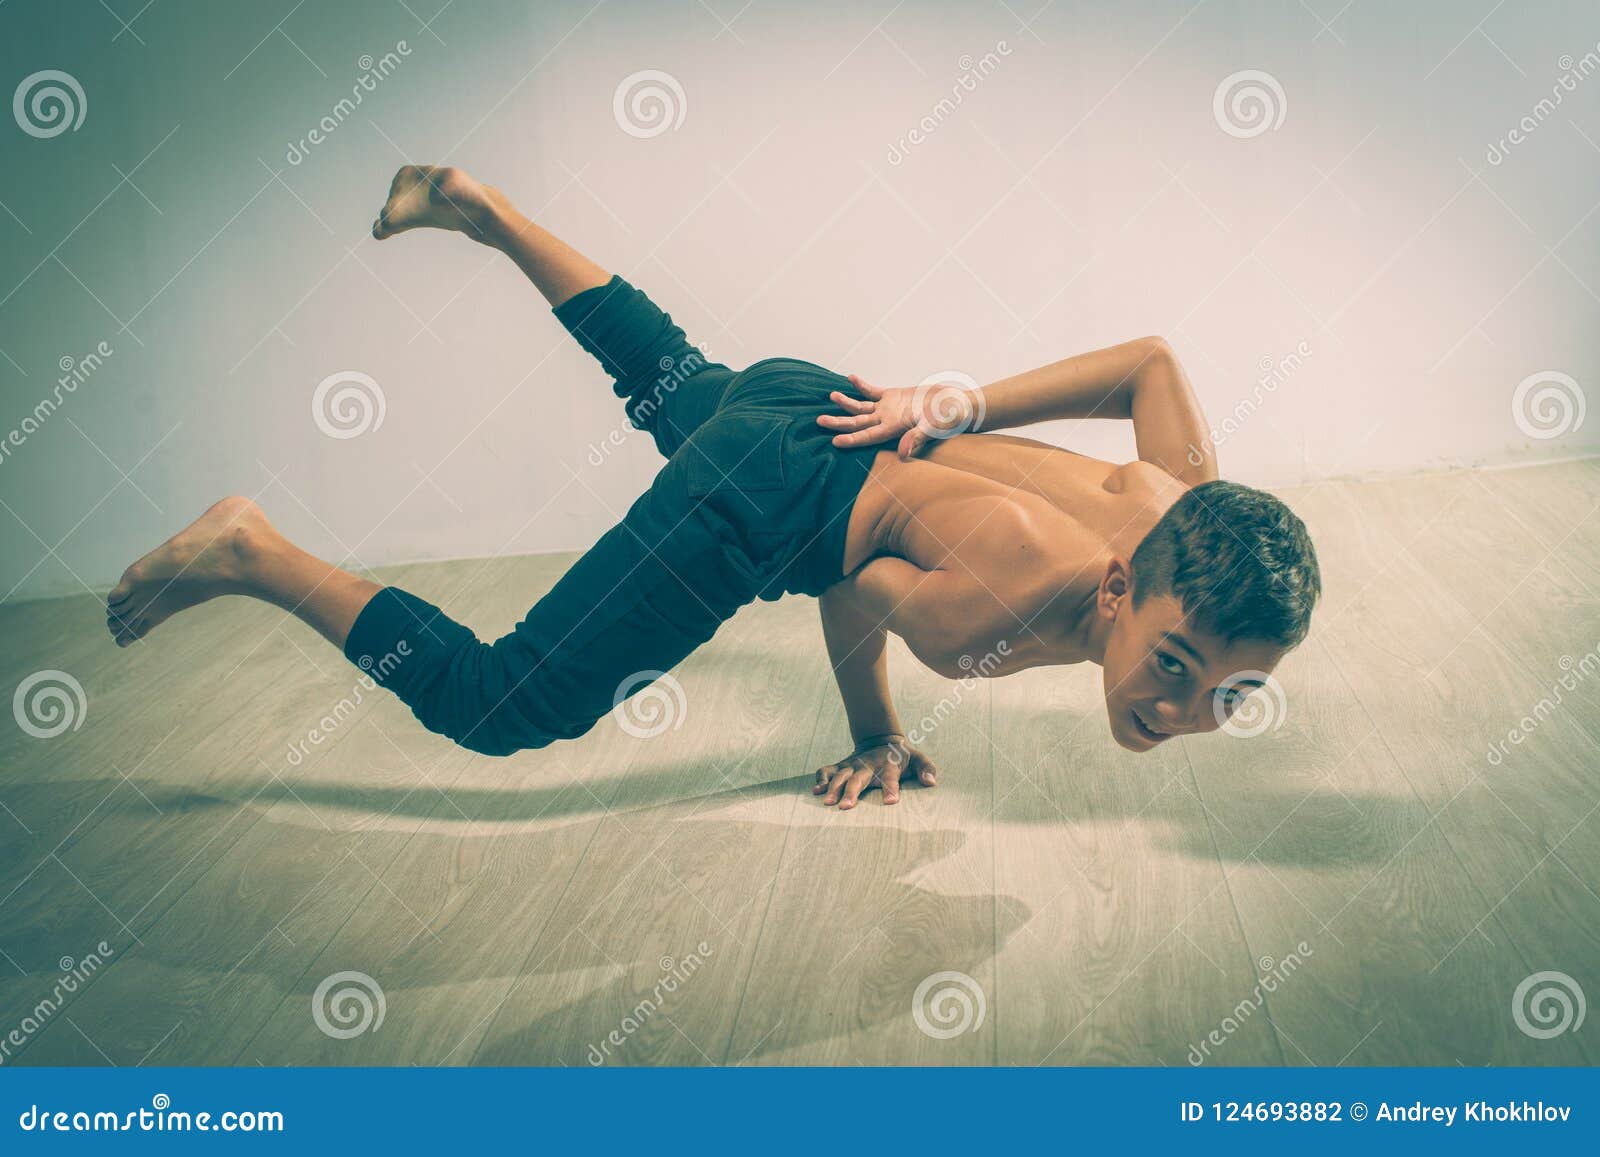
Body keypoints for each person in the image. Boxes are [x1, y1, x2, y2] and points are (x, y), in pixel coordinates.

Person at [107, 165, 1320, 810]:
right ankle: (250, 552)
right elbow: (848, 591)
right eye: (1174, 663)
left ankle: (478, 207)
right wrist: (877, 732)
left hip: (817, 397)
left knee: (673, 376)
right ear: (1120, 585)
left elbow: (1149, 360)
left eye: (1229, 689)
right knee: (503, 700)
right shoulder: (999, 612)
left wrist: (944, 400)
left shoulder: (1190, 506)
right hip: (766, 496)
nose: (1186, 705)